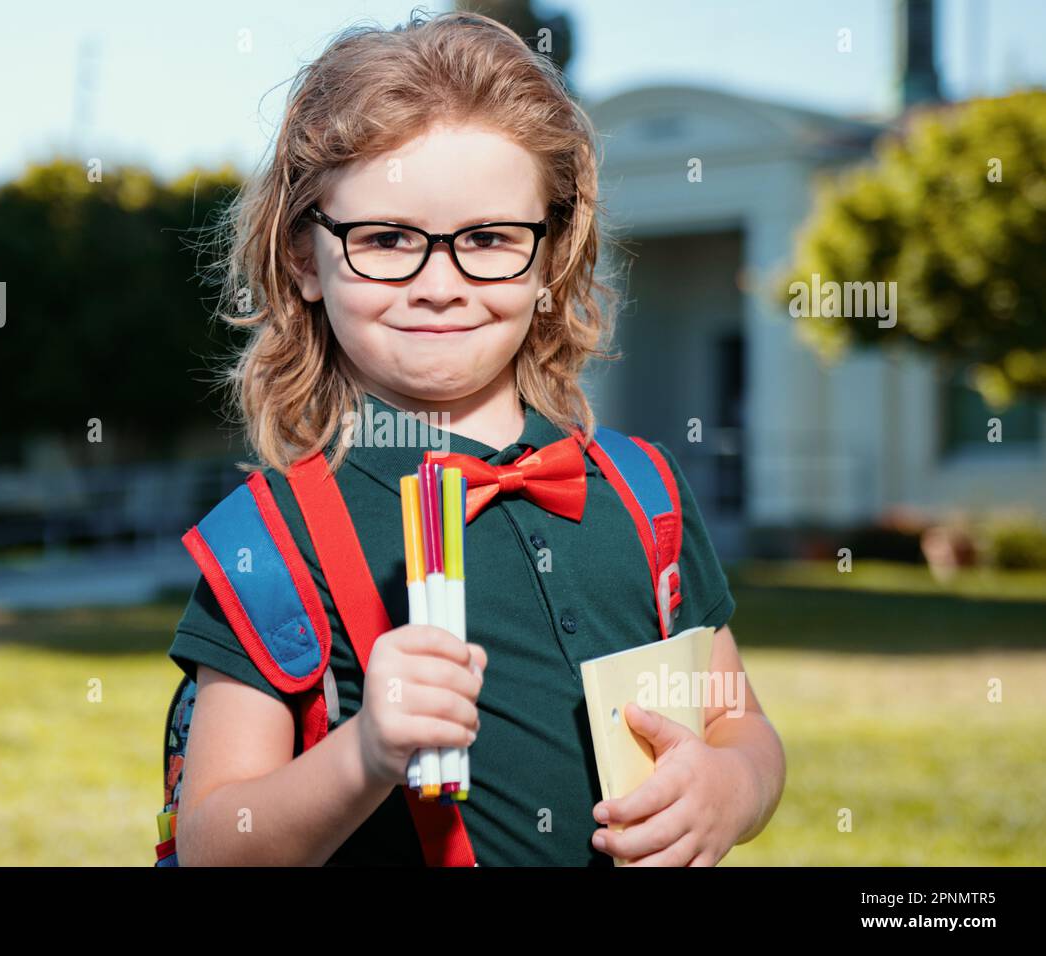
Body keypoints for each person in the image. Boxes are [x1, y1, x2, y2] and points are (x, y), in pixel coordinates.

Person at [168, 10, 784, 866]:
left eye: (490, 240)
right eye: (385, 240)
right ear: (305, 258)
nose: (439, 285)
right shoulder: (270, 540)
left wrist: (734, 788)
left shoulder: (644, 491)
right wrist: (366, 754)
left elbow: (740, 723)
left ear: (550, 261)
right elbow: (213, 842)